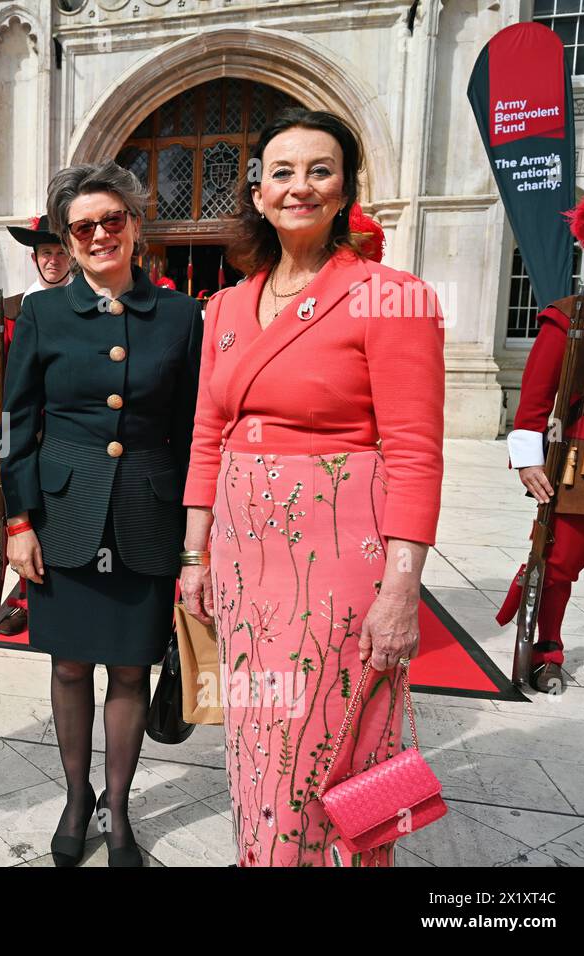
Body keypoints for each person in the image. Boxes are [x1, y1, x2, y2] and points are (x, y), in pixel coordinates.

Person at [179, 109, 445, 867]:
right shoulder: (227, 305)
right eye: (283, 171)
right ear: (258, 192)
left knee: (322, 739)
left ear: (344, 192)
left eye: (320, 170)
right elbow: (207, 435)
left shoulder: (392, 295)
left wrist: (401, 591)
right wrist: (194, 557)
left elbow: (417, 452)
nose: (300, 186)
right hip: (240, 557)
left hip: (338, 559)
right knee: (259, 735)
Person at [0, 162, 202, 867]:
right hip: (64, 513)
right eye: (82, 226)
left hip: (147, 514)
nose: (98, 235)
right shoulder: (43, 313)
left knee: (127, 669)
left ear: (136, 227)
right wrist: (17, 522)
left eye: (112, 221)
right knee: (67, 667)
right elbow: (15, 420)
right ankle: (76, 795)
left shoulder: (181, 317)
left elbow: (193, 430)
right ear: (68, 237)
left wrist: (195, 540)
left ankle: (117, 808)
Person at [501, 193, 584, 692]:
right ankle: (547, 650)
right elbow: (533, 406)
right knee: (558, 563)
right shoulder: (568, 317)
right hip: (581, 465)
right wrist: (528, 462)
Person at [0, 214, 71, 636]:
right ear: (35, 258)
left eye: (59, 252)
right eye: (45, 253)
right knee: (18, 516)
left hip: (69, 433)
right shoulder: (14, 309)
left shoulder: (84, 302)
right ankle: (20, 595)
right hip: (24, 431)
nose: (53, 260)